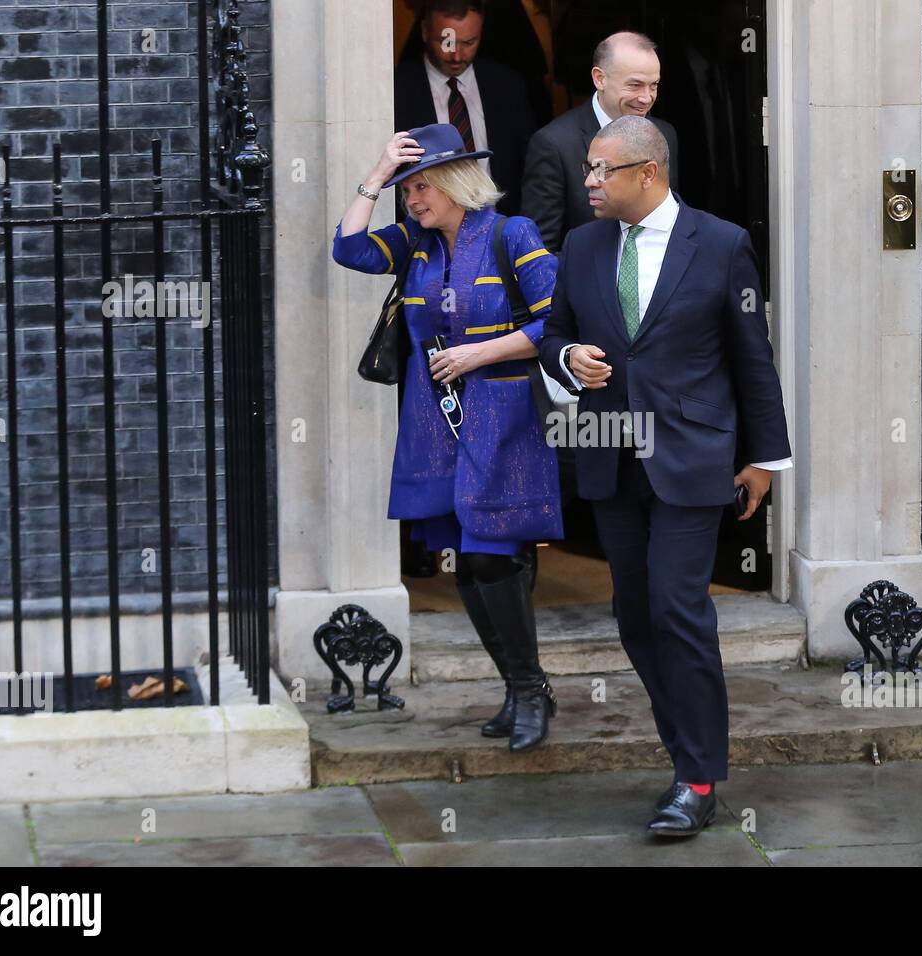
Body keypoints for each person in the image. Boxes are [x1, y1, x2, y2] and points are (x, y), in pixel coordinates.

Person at [540, 116, 792, 837]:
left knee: (679, 611)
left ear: (646, 172)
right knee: (636, 615)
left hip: (692, 457)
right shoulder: (583, 245)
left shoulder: (719, 244)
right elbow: (555, 333)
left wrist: (764, 459)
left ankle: (698, 776)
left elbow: (753, 360)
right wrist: (567, 361)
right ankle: (688, 754)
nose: (587, 181)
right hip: (611, 452)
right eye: (588, 168)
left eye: (600, 170)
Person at [332, 123, 563, 750]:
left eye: (421, 186)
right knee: (464, 561)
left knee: (495, 552)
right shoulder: (416, 243)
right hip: (436, 420)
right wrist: (375, 177)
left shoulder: (510, 234)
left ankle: (531, 688)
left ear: (459, 182)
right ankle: (518, 691)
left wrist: (477, 355)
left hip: (504, 416)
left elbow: (555, 321)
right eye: (406, 189)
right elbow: (348, 250)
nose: (412, 199)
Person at [521, 31, 680, 253]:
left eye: (653, 85)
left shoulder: (663, 134)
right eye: (634, 85)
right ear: (599, 79)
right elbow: (538, 254)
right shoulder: (554, 144)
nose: (646, 98)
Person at [394, 0, 538, 216]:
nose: (457, 56)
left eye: (469, 42)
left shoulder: (508, 86)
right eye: (446, 42)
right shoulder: (395, 89)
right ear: (424, 31)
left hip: (499, 228)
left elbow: (529, 167)